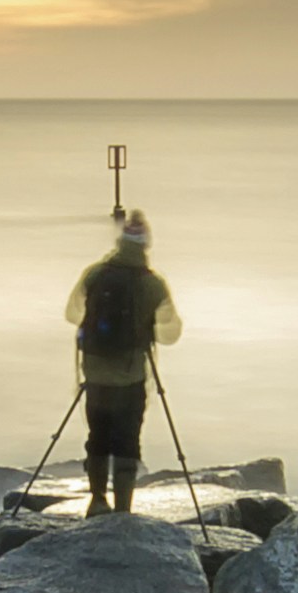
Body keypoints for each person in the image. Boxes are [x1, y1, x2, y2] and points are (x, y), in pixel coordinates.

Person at [62, 211, 182, 515]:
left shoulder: (95, 274)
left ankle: (97, 499)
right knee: (128, 439)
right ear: (145, 246)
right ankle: (123, 509)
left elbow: (71, 314)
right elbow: (171, 333)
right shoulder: (152, 284)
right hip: (131, 376)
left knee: (98, 434)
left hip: (95, 372)